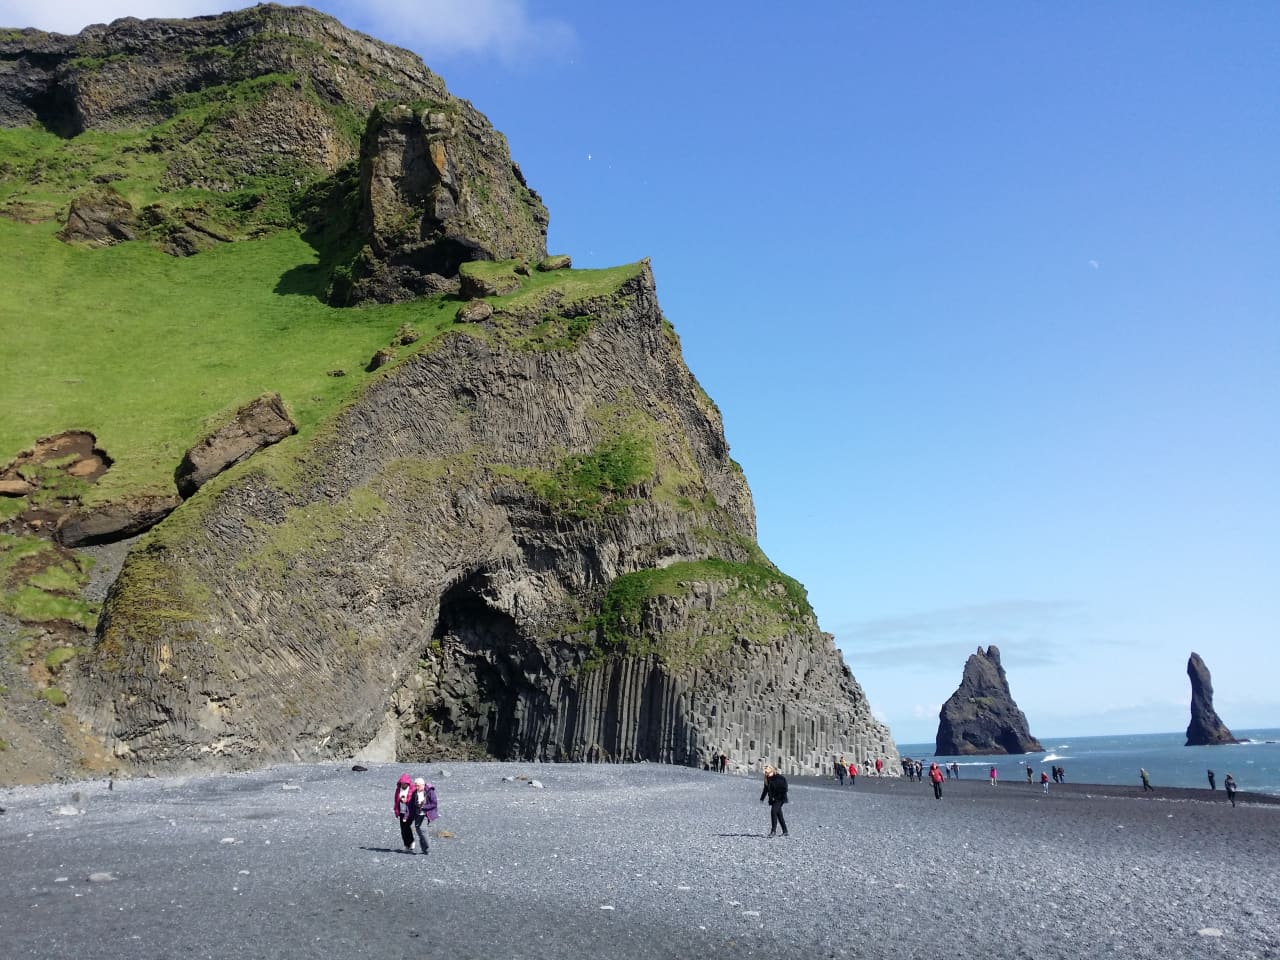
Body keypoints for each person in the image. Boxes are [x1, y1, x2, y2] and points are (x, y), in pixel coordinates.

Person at [759, 764, 789, 837]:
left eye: (767, 772)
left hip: (780, 798)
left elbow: (785, 788)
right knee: (779, 814)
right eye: (765, 773)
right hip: (773, 799)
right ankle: (785, 831)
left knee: (773, 811)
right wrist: (762, 798)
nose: (766, 774)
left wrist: (779, 795)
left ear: (771, 770)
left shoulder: (780, 778)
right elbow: (765, 789)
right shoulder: (767, 779)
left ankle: (773, 831)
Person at [393, 773, 419, 853]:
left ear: (408, 783)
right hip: (401, 811)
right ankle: (407, 845)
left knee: (407, 826)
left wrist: (406, 801)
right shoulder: (398, 789)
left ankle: (411, 842)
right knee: (403, 829)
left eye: (404, 783)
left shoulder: (412, 789)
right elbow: (396, 799)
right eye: (402, 783)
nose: (403, 785)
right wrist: (396, 809)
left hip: (410, 811)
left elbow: (413, 801)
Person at [411, 777, 438, 854]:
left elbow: (434, 803)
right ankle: (424, 849)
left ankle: (428, 849)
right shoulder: (415, 792)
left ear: (423, 785)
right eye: (415, 785)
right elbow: (412, 803)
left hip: (426, 814)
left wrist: (424, 807)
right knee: (419, 830)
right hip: (417, 814)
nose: (416, 787)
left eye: (418, 786)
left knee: (423, 830)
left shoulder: (430, 791)